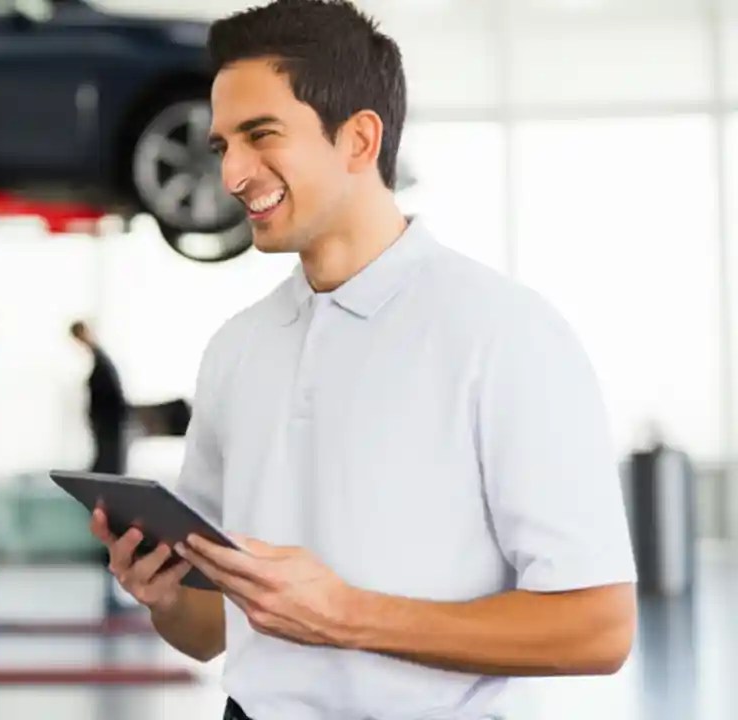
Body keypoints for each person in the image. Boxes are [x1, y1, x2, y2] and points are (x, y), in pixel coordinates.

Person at [90, 2, 638, 719]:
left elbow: (599, 628)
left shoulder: (503, 332)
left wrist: (347, 615)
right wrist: (164, 594)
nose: (231, 175)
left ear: (358, 139)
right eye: (224, 145)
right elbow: (205, 636)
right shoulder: (238, 348)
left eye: (261, 136)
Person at [69, 320, 129, 474]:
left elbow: (112, 398)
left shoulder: (103, 362)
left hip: (109, 427)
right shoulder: (100, 360)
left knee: (107, 469)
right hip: (105, 428)